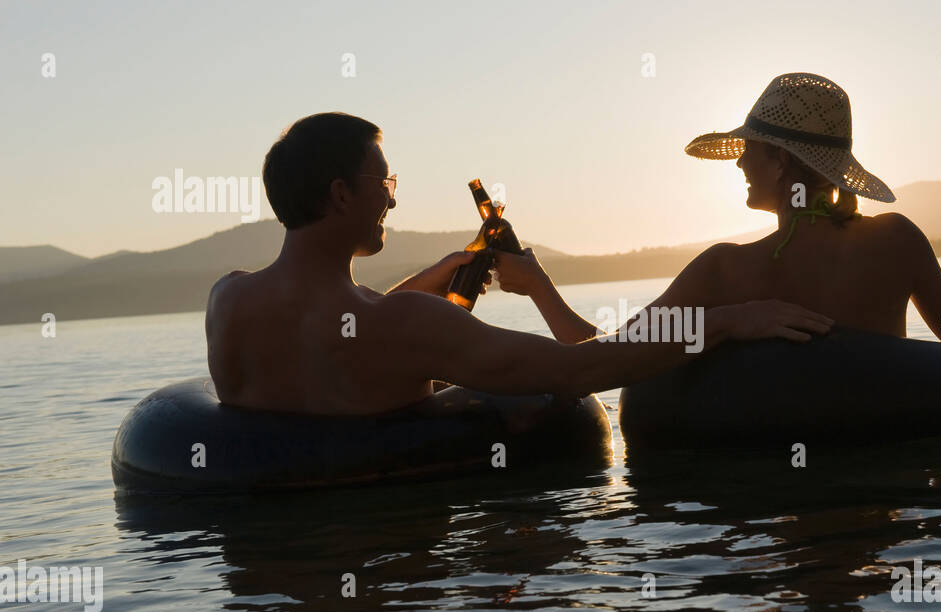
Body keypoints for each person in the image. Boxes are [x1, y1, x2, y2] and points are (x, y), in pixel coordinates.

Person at [204, 113, 831, 415]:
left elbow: (347, 319)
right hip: (395, 592)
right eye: (383, 180)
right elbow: (581, 368)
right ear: (342, 193)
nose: (391, 196)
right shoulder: (404, 325)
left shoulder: (226, 302)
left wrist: (447, 271)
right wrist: (723, 322)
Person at [494, 72, 941, 346]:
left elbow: (598, 358)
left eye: (748, 150)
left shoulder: (725, 270)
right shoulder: (896, 240)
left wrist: (538, 286)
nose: (739, 163)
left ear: (780, 162)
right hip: (879, 508)